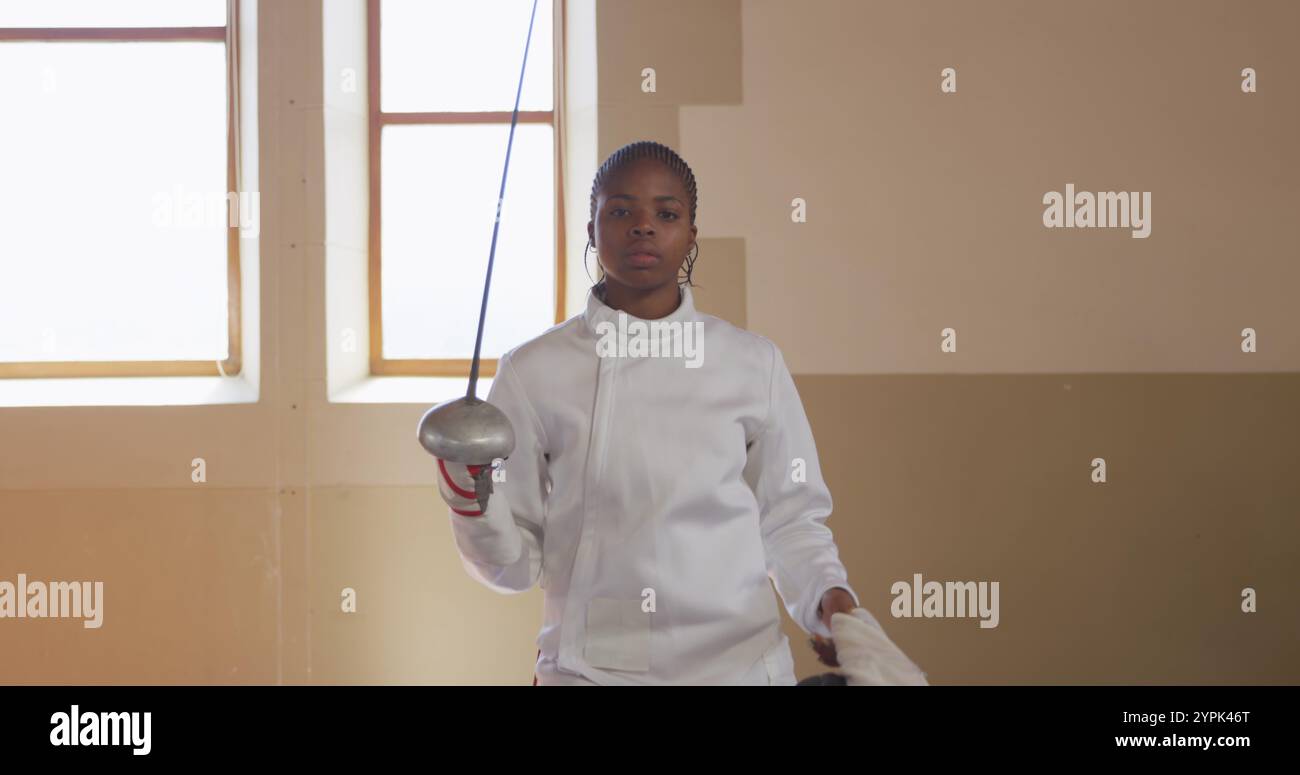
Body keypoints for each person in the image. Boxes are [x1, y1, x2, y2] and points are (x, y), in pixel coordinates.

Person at [434, 140, 859, 685]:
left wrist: (830, 600)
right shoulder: (532, 371)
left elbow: (791, 521)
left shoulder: (752, 363)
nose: (643, 227)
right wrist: (467, 495)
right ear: (591, 230)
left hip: (740, 667)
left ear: (690, 234)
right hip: (591, 669)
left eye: (666, 213)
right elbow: (513, 566)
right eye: (620, 211)